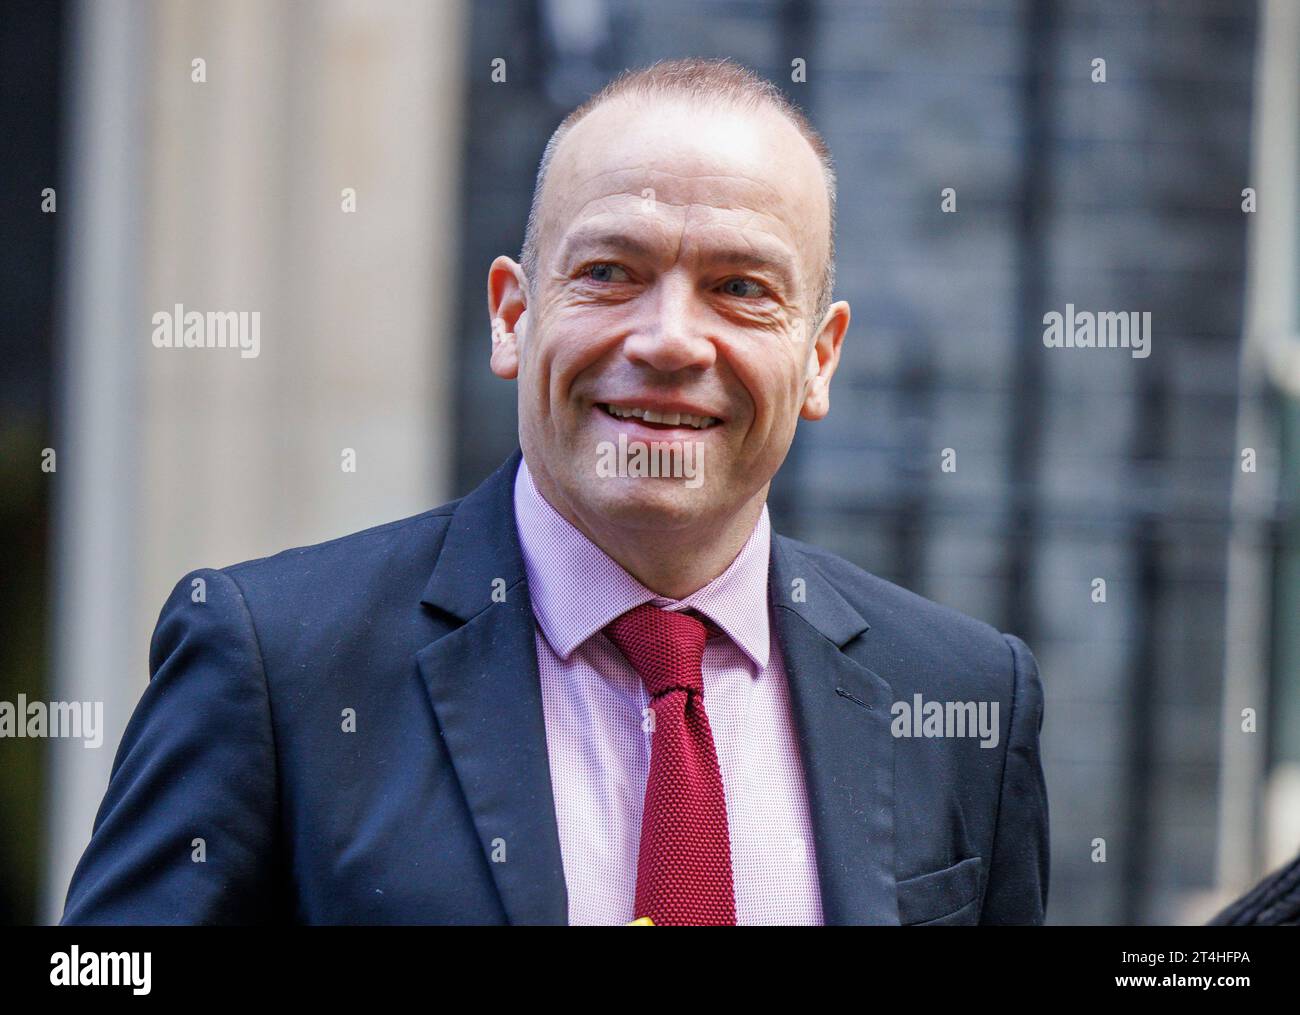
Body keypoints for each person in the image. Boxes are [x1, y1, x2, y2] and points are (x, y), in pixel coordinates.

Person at [61, 57, 1048, 926]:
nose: (669, 340)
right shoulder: (277, 665)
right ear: (511, 315)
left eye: (741, 287)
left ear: (819, 356)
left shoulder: (963, 696)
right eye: (611, 272)